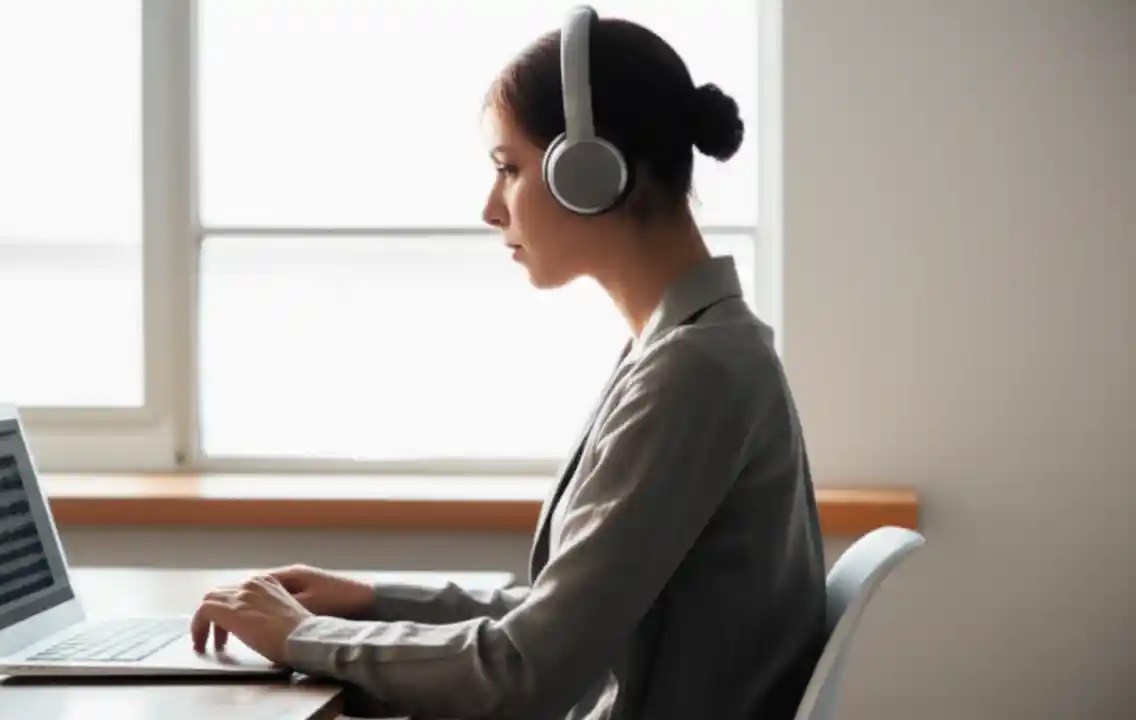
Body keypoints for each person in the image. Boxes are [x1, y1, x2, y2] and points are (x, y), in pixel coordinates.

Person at [189, 8, 826, 719]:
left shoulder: (694, 373)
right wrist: (368, 599)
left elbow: (526, 672)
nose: (492, 208)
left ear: (588, 172)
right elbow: (560, 614)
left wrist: (305, 637)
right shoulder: (693, 346)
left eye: (508, 169)